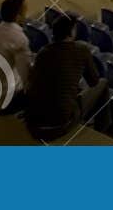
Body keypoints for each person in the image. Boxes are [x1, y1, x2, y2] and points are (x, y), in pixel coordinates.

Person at [24, 12, 108, 141]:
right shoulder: (81, 50)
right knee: (103, 83)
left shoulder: (43, 52)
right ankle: (102, 129)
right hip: (60, 124)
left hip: (34, 124)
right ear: (71, 32)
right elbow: (94, 82)